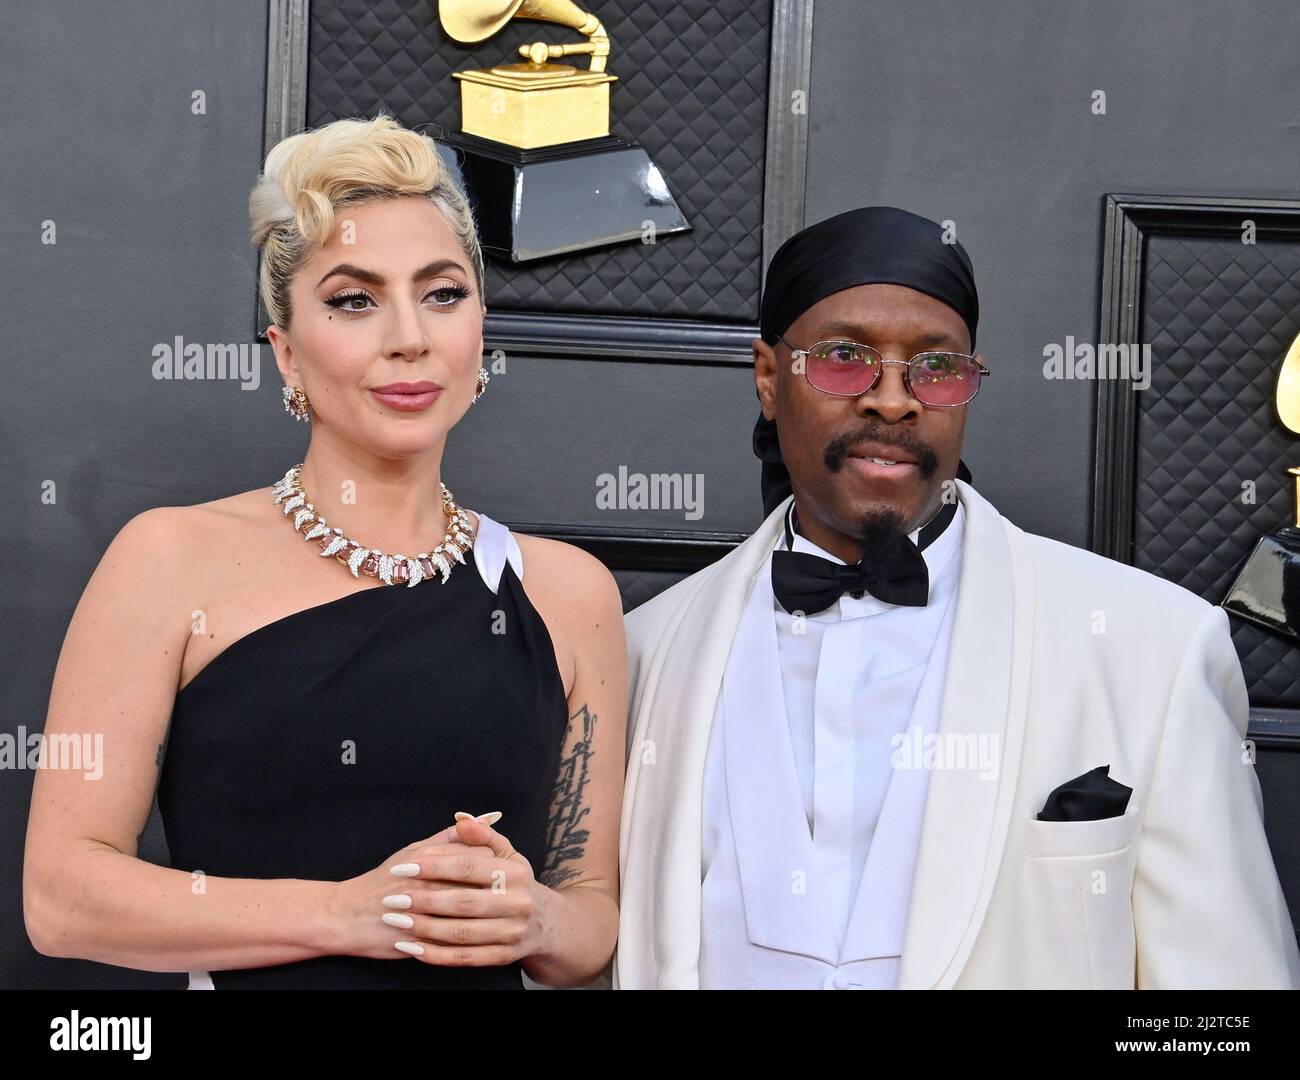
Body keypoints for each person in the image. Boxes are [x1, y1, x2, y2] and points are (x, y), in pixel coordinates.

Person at [614, 206, 1300, 989]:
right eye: (845, 358)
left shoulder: (1154, 648)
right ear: (771, 378)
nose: (894, 400)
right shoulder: (643, 654)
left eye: (936, 369)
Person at [23, 114, 627, 989]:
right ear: (287, 354)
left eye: (443, 292)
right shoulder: (169, 560)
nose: (409, 336)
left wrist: (539, 916)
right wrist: (348, 913)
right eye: (353, 299)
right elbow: (62, 899)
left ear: (479, 330)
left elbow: (593, 917)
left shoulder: (570, 594)